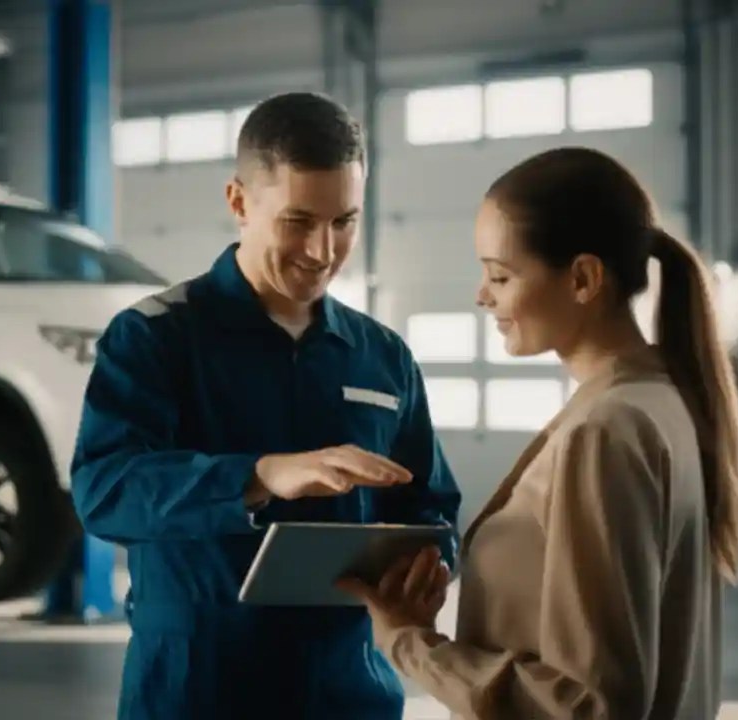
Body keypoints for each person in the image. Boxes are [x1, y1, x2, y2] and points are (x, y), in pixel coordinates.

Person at [69, 91, 462, 720]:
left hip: (348, 694)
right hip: (197, 692)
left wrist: (430, 567)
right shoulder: (156, 338)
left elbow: (432, 506)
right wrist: (257, 476)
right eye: (299, 221)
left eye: (345, 222)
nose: (323, 250)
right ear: (239, 202)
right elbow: (104, 491)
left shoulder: (382, 357)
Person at [339, 147, 738, 719]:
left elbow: (592, 706)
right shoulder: (662, 400)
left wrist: (410, 643)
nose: (482, 296)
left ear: (583, 277)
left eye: (501, 276)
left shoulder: (606, 430)